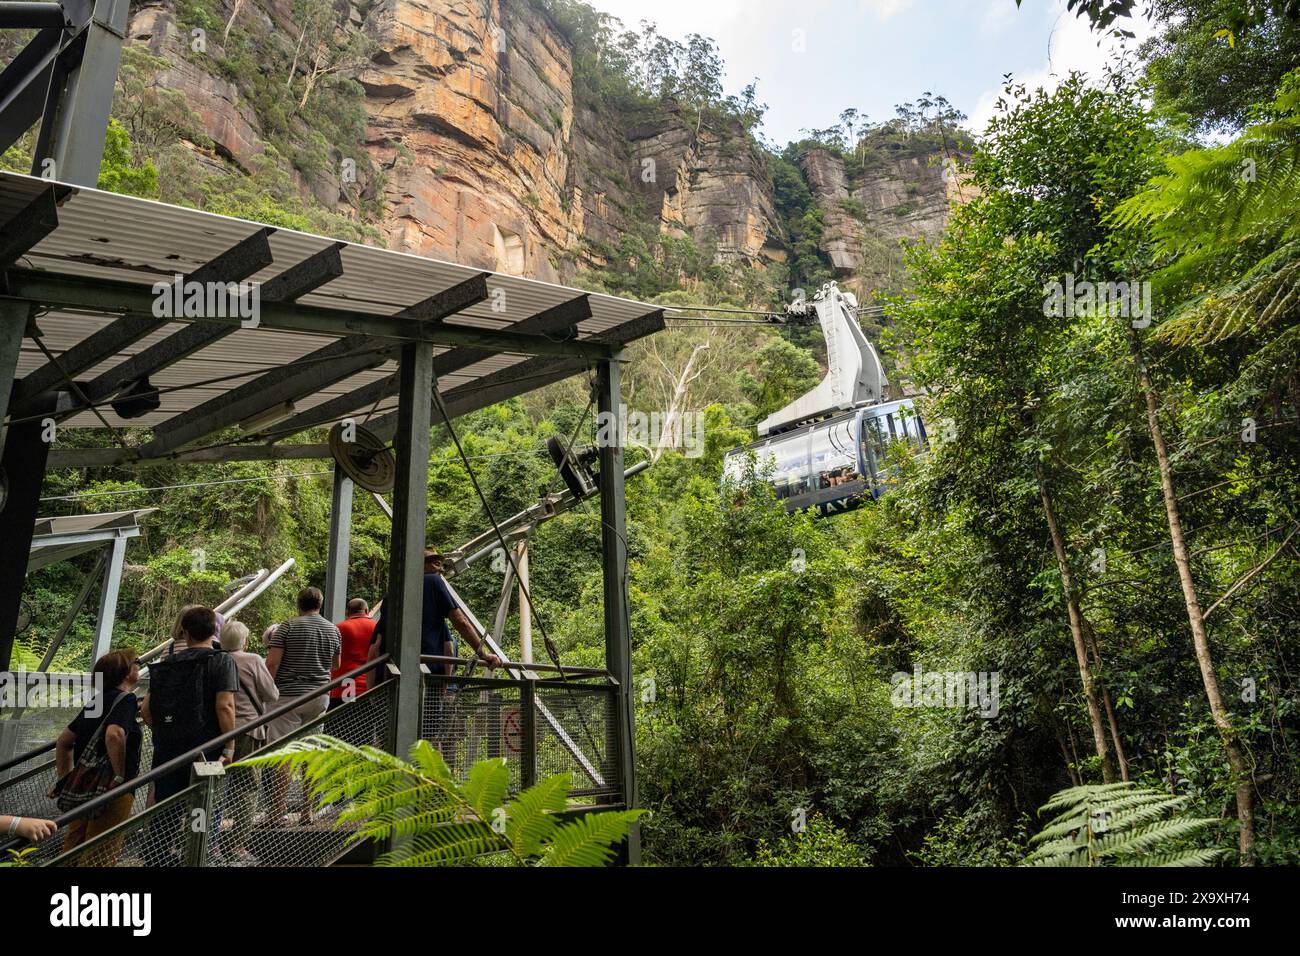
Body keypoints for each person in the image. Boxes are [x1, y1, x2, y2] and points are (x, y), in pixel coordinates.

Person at [141, 605, 238, 863]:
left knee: (165, 811)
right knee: (205, 805)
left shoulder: (168, 662)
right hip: (208, 749)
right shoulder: (222, 660)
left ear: (184, 633)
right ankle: (196, 858)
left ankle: (156, 859)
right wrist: (229, 746)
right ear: (215, 630)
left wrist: (163, 733)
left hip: (168, 749)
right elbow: (225, 706)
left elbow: (146, 710)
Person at [54, 649, 143, 866]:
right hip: (111, 789)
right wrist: (120, 776)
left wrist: (67, 778)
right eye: (136, 663)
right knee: (101, 851)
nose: (139, 666)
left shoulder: (97, 701)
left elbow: (64, 742)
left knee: (74, 846)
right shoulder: (126, 700)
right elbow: (115, 734)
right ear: (125, 672)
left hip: (84, 786)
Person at [265, 587, 341, 822]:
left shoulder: (287, 627)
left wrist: (268, 691)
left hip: (288, 697)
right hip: (319, 697)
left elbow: (272, 664)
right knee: (311, 754)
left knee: (284, 755)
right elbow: (336, 664)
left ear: (299, 603)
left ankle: (278, 812)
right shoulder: (333, 629)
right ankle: (307, 811)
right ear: (320, 603)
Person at [371, 551, 503, 674]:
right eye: (436, 564)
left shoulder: (392, 593)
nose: (441, 569)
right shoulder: (433, 581)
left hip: (391, 672)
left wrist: (371, 686)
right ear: (420, 565)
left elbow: (376, 643)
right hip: (426, 671)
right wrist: (483, 654)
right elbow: (460, 622)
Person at [218, 620, 279, 865]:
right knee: (247, 788)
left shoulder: (215, 660)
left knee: (216, 788)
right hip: (249, 731)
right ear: (244, 640)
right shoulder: (253, 660)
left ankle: (208, 843)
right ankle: (237, 845)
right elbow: (272, 694)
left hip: (221, 731)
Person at [330, 598, 376, 711]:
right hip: (371, 688)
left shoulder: (339, 628)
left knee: (338, 726)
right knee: (367, 726)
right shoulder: (376, 627)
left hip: (343, 687)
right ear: (366, 610)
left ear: (347, 612)